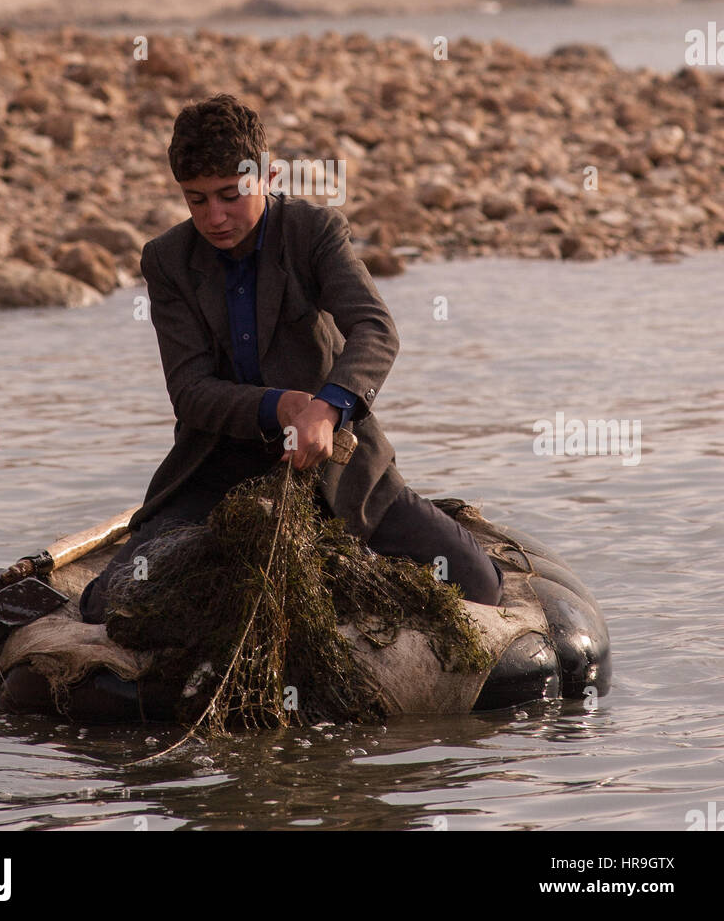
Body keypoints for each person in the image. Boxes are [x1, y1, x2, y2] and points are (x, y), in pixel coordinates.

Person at [80, 93, 502, 622]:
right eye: (196, 200)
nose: (214, 217)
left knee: (476, 581)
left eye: (231, 195)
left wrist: (327, 408)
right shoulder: (167, 259)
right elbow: (190, 392)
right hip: (215, 472)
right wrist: (282, 408)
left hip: (337, 464)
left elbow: (375, 330)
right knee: (109, 603)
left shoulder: (315, 232)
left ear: (269, 176)